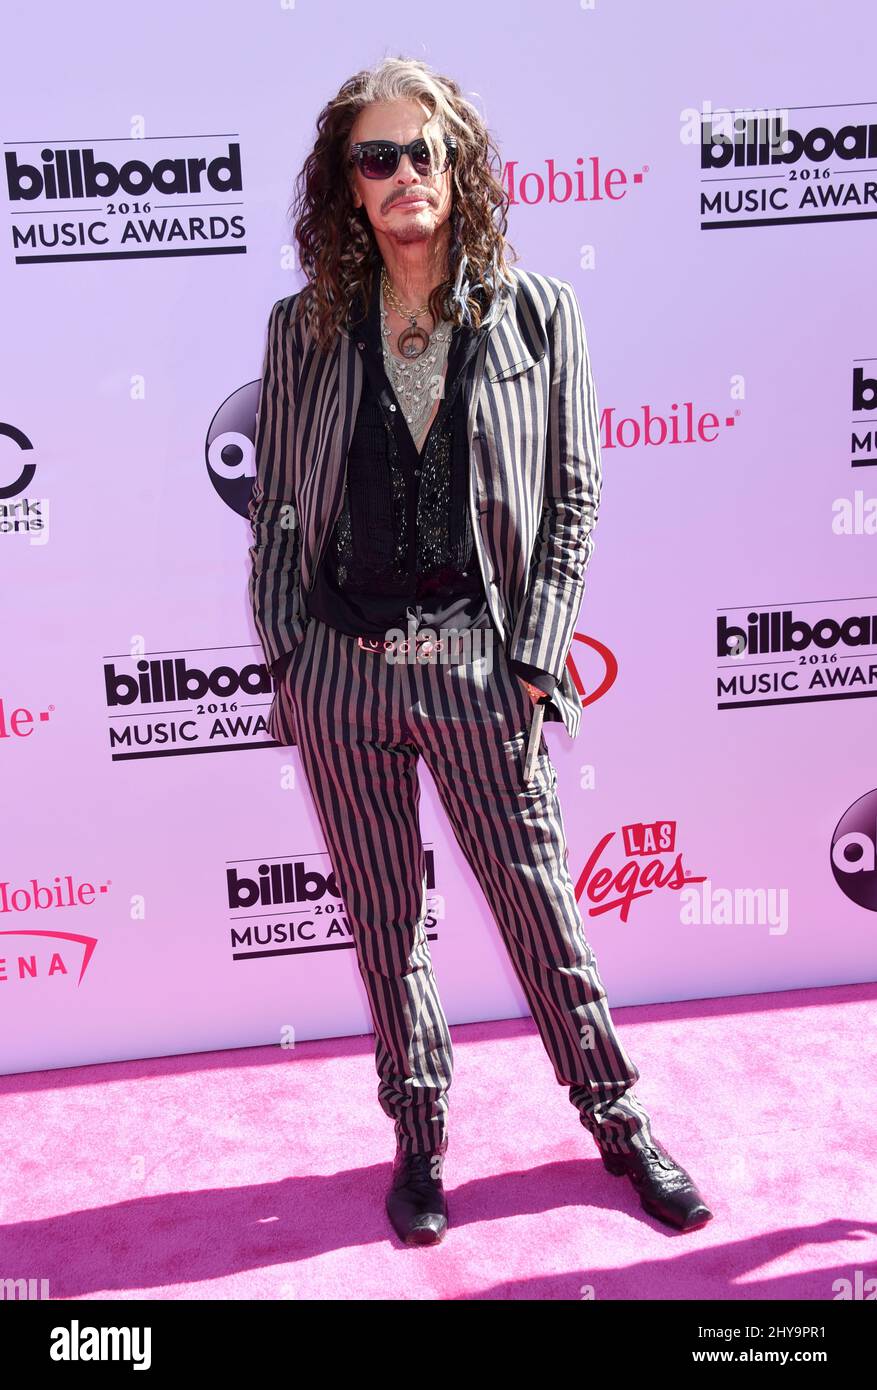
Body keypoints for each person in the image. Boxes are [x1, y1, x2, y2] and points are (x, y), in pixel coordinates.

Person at [247, 56, 713, 1245]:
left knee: (535, 904)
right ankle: (418, 1139)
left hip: (477, 665)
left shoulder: (539, 311)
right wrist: (290, 656)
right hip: (343, 672)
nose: (403, 174)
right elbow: (283, 512)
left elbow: (572, 498)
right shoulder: (302, 326)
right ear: (344, 184)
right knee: (387, 919)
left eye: (423, 151)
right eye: (376, 156)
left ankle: (616, 1121)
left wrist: (535, 658)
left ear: (459, 169)